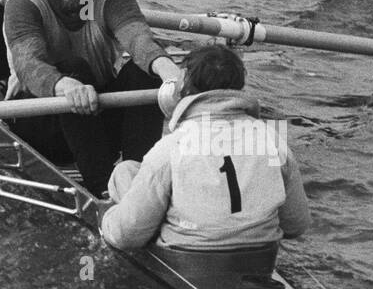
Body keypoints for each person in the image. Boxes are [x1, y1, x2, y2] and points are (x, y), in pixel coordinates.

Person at [2, 0, 180, 197]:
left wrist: (168, 71)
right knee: (75, 68)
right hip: (41, 123)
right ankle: (104, 192)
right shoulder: (23, 3)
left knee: (142, 73)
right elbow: (28, 64)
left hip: (95, 119)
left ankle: (138, 180)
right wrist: (63, 84)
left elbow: (139, 41)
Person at [99, 43, 311, 252]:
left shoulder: (170, 148)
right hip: (260, 258)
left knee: (123, 172)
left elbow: (124, 237)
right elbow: (296, 225)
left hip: (190, 261)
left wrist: (106, 215)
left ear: (185, 88)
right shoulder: (273, 139)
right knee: (127, 170)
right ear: (238, 88)